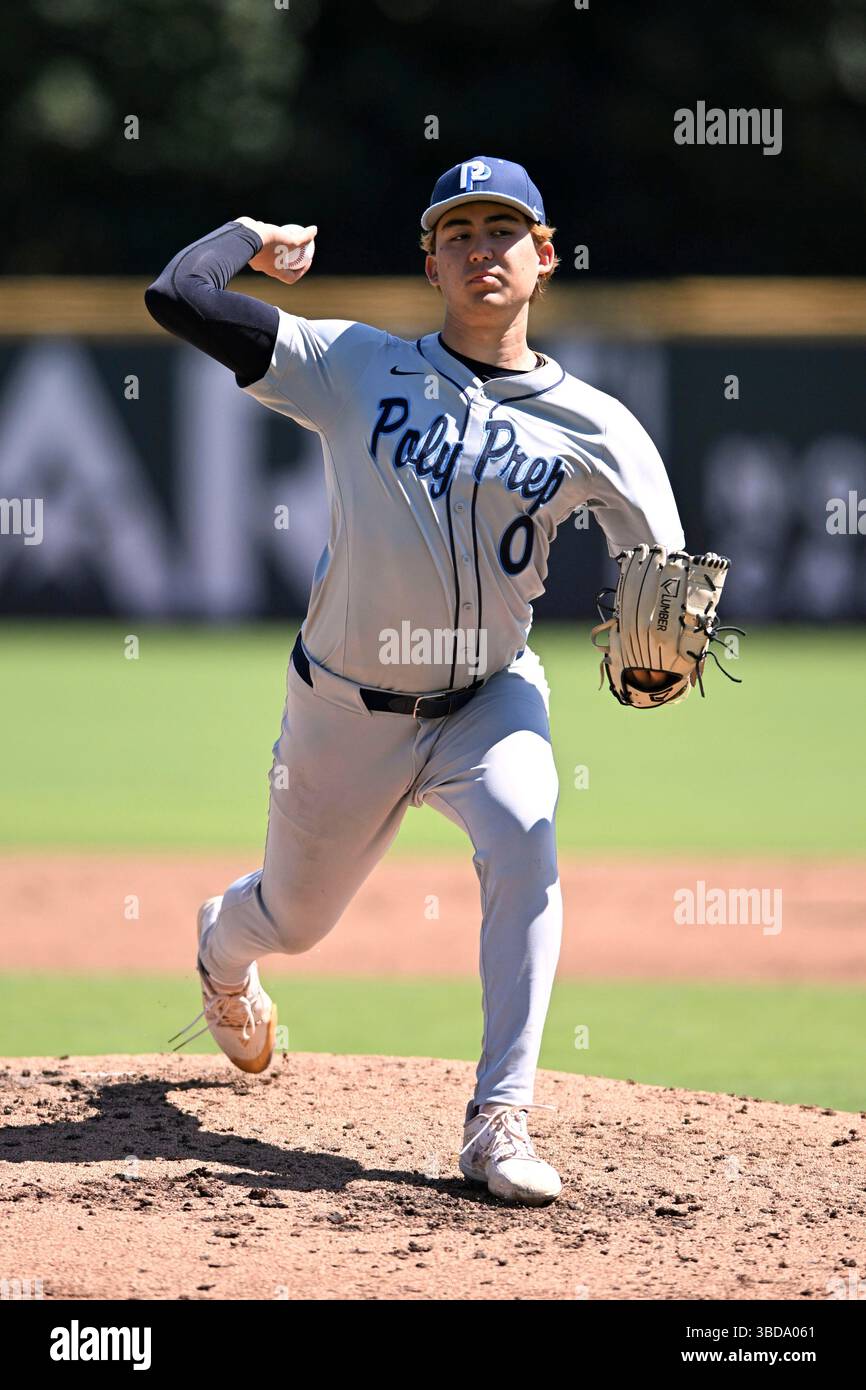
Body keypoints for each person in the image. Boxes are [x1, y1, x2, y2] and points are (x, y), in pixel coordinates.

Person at [146, 156, 685, 1207]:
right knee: (293, 921)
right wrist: (245, 237)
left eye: (503, 231)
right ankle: (221, 952)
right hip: (343, 710)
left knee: (528, 827)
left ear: (545, 255)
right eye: (458, 234)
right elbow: (177, 297)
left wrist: (662, 646)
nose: (481, 250)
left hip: (488, 696)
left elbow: (664, 578)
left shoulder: (603, 430)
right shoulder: (350, 363)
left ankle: (498, 1119)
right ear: (430, 261)